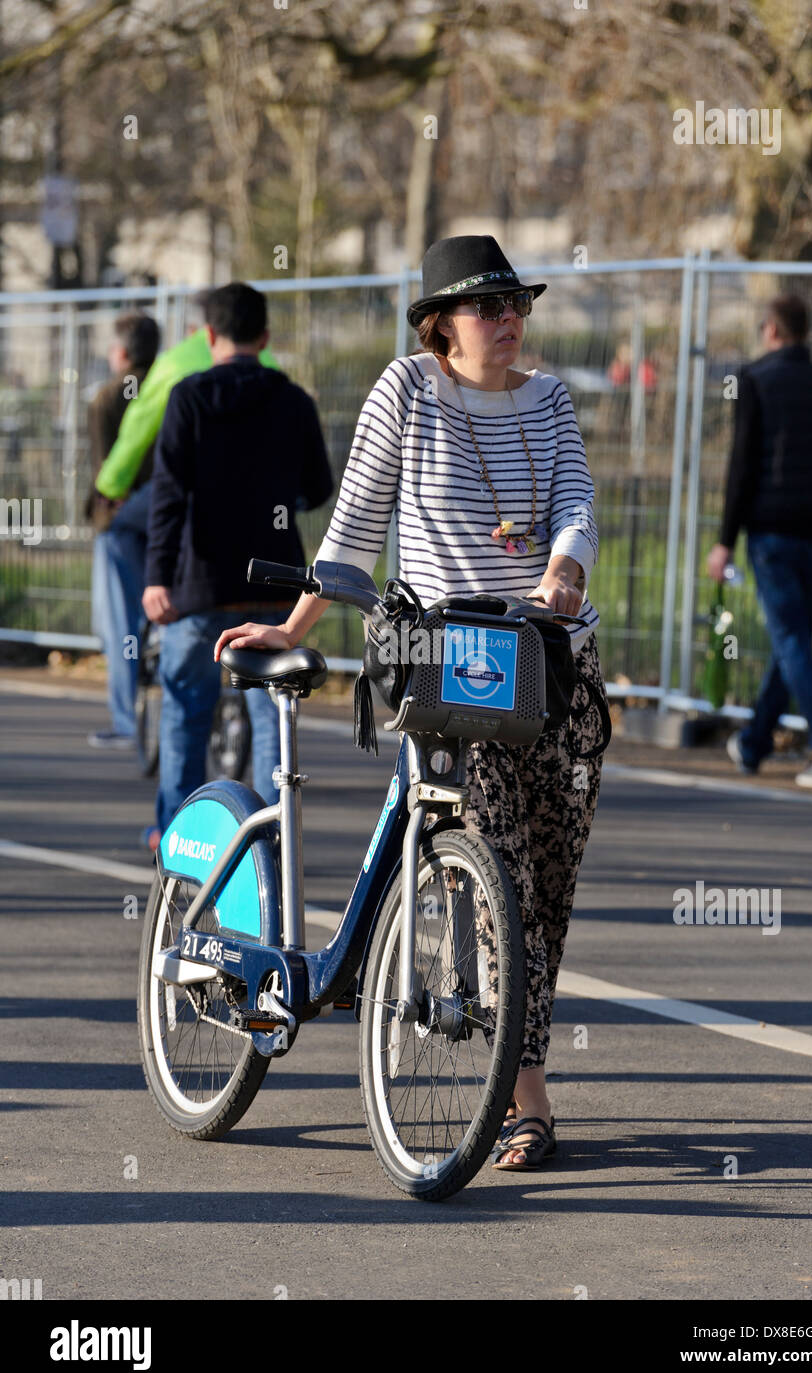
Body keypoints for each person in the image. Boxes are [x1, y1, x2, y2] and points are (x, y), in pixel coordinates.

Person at [214, 235, 609, 1171]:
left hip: (548, 658)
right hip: (445, 657)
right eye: (487, 308)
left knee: (548, 881)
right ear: (441, 325)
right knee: (498, 872)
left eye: (516, 306)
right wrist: (297, 627)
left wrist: (562, 570)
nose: (508, 321)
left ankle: (521, 1054)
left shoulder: (550, 400)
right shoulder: (406, 389)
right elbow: (353, 522)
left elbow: (576, 506)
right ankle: (528, 1100)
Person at [142, 281, 333, 852]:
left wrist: (157, 574)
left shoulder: (188, 397)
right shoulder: (294, 400)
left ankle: (176, 838)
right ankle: (272, 838)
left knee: (185, 713)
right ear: (266, 336)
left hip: (198, 589)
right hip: (276, 589)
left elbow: (168, 495)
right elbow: (319, 487)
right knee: (274, 719)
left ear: (208, 336)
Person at [88, 294, 282, 750]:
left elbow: (136, 435)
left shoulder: (175, 366)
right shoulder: (270, 363)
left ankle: (133, 647)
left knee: (116, 537)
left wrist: (109, 490)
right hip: (257, 514)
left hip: (188, 502)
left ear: (204, 331)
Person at [707, 294, 812, 789]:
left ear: (772, 330)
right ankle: (753, 742)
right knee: (791, 639)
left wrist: (724, 541)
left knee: (791, 639)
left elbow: (741, 468)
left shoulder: (754, 381)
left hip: (772, 531)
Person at [86, 312, 160, 748]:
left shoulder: (107, 398)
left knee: (117, 619)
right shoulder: (172, 386)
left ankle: (124, 720)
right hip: (169, 515)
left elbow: (104, 476)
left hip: (123, 520)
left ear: (123, 351)